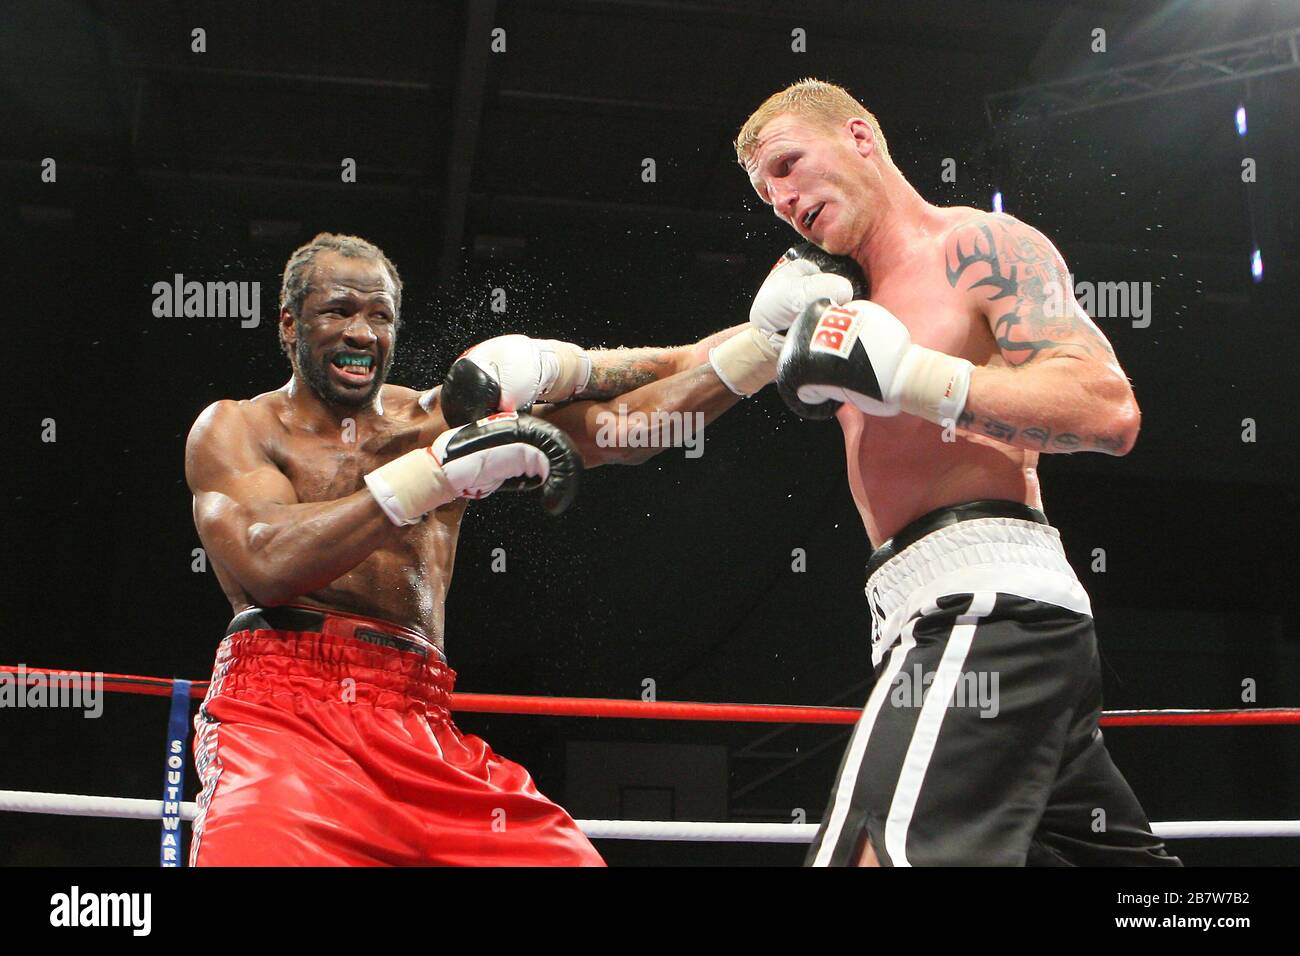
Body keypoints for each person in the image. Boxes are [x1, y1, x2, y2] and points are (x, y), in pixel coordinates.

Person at [184, 232, 753, 866]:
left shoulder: (438, 421)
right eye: (338, 311)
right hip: (285, 718)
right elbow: (267, 566)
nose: (361, 333)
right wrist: (434, 474)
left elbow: (630, 425)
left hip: (416, 715)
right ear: (289, 322)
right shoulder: (238, 428)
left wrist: (763, 347)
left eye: (379, 316)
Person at [732, 79, 1181, 866]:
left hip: (985, 603)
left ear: (861, 137)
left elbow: (1108, 412)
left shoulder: (980, 248)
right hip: (926, 612)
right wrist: (548, 375)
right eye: (767, 192)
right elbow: (681, 385)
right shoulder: (835, 307)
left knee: (871, 855)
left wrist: (912, 376)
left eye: (789, 165)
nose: (782, 198)